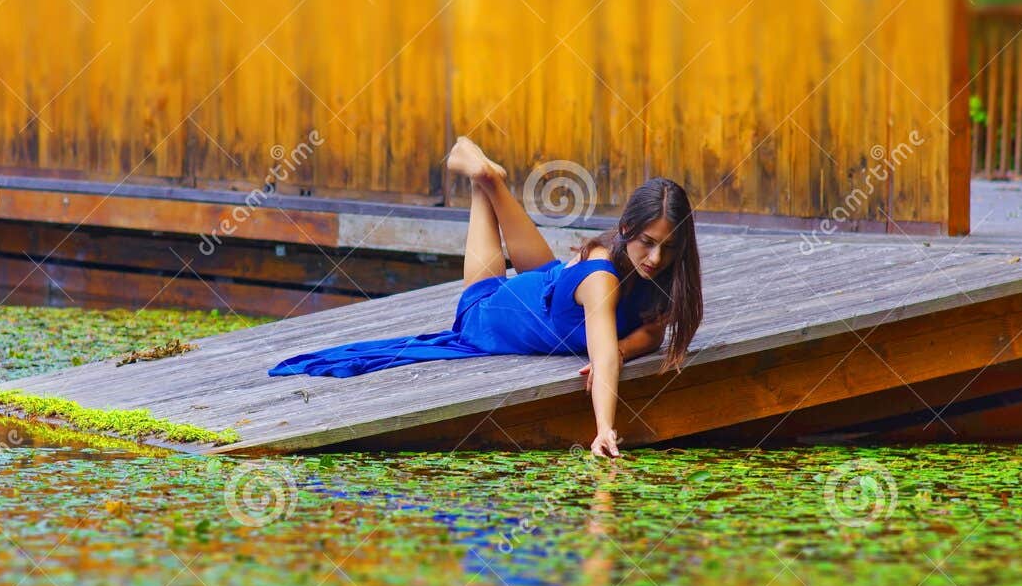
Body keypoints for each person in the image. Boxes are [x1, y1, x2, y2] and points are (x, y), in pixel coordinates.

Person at [268, 137, 704, 457]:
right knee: (480, 293)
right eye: (648, 242)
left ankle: (489, 180)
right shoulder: (603, 280)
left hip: (546, 289)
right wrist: (604, 428)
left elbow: (648, 336)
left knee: (547, 272)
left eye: (669, 248)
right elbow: (603, 357)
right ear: (626, 229)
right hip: (494, 313)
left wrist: (625, 348)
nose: (656, 257)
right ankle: (479, 179)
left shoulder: (654, 274)